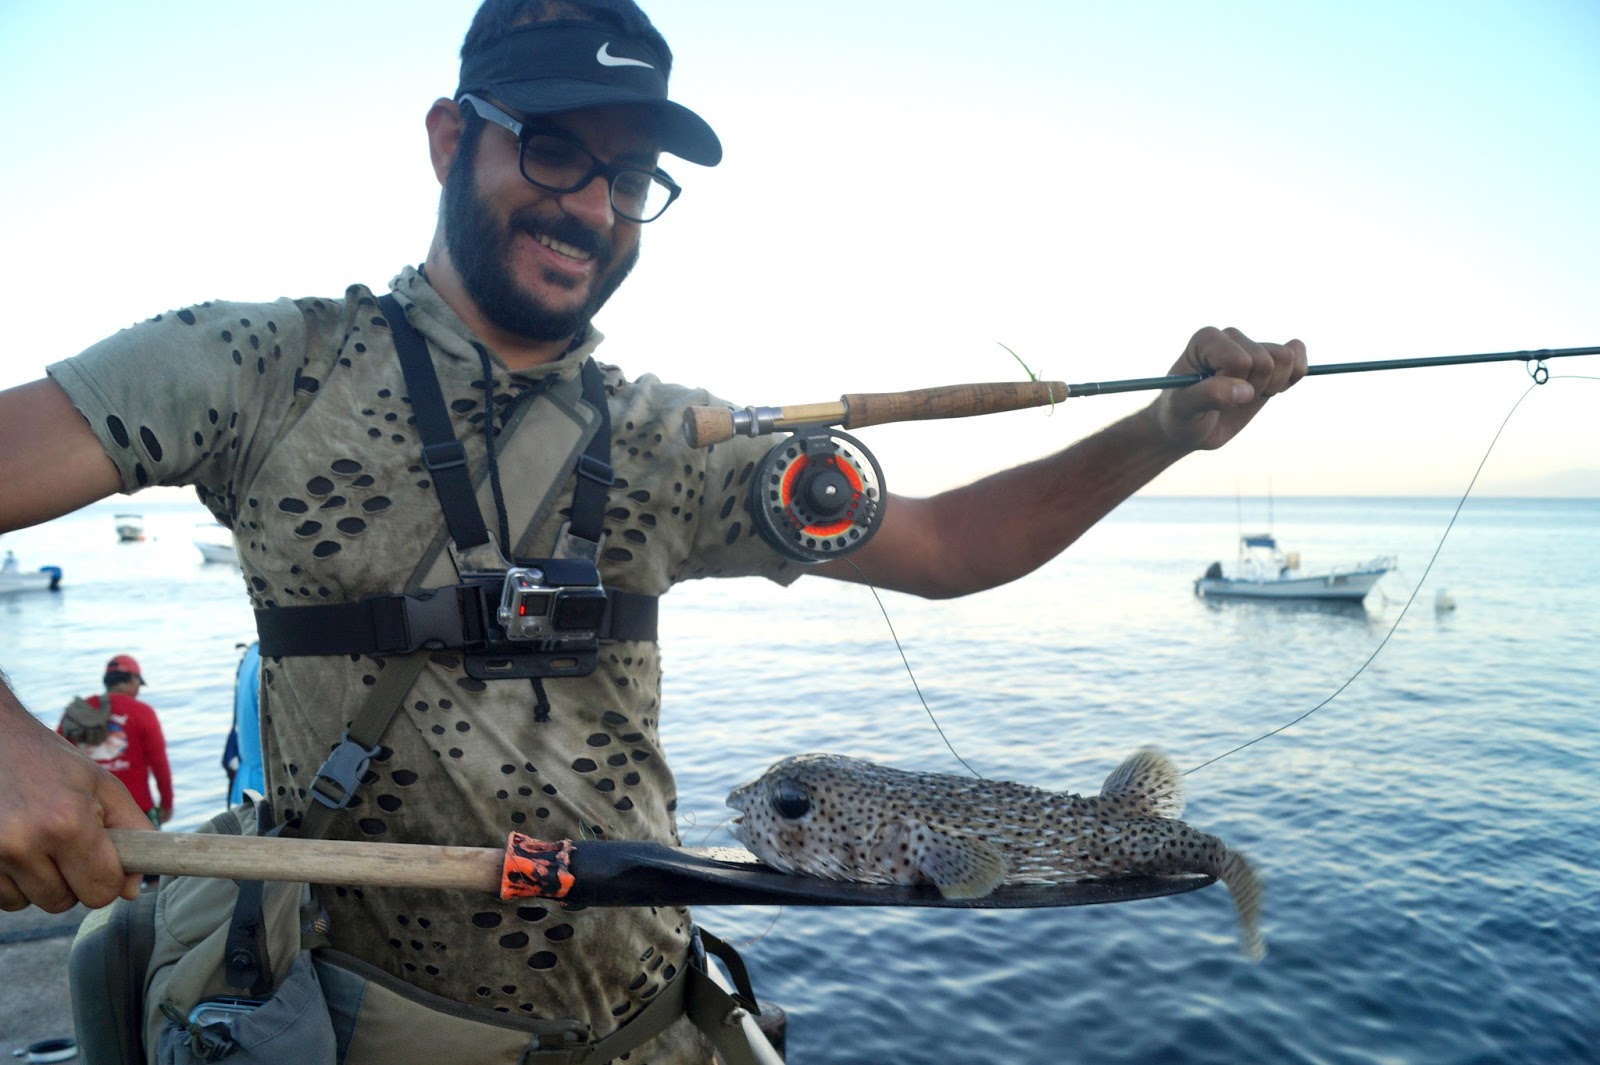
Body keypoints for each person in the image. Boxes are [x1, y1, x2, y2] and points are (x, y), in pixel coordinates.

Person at [0, 1, 1306, 1061]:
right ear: (453, 135)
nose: (592, 206)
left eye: (630, 177)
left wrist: (1157, 432)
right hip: (378, 1026)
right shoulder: (261, 366)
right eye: (556, 148)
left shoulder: (676, 440)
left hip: (650, 1019)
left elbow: (953, 545)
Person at [56, 655, 173, 831]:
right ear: (133, 680)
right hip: (136, 809)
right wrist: (166, 803)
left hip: (86, 812)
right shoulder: (143, 712)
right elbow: (159, 764)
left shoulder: (77, 711)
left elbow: (56, 759)